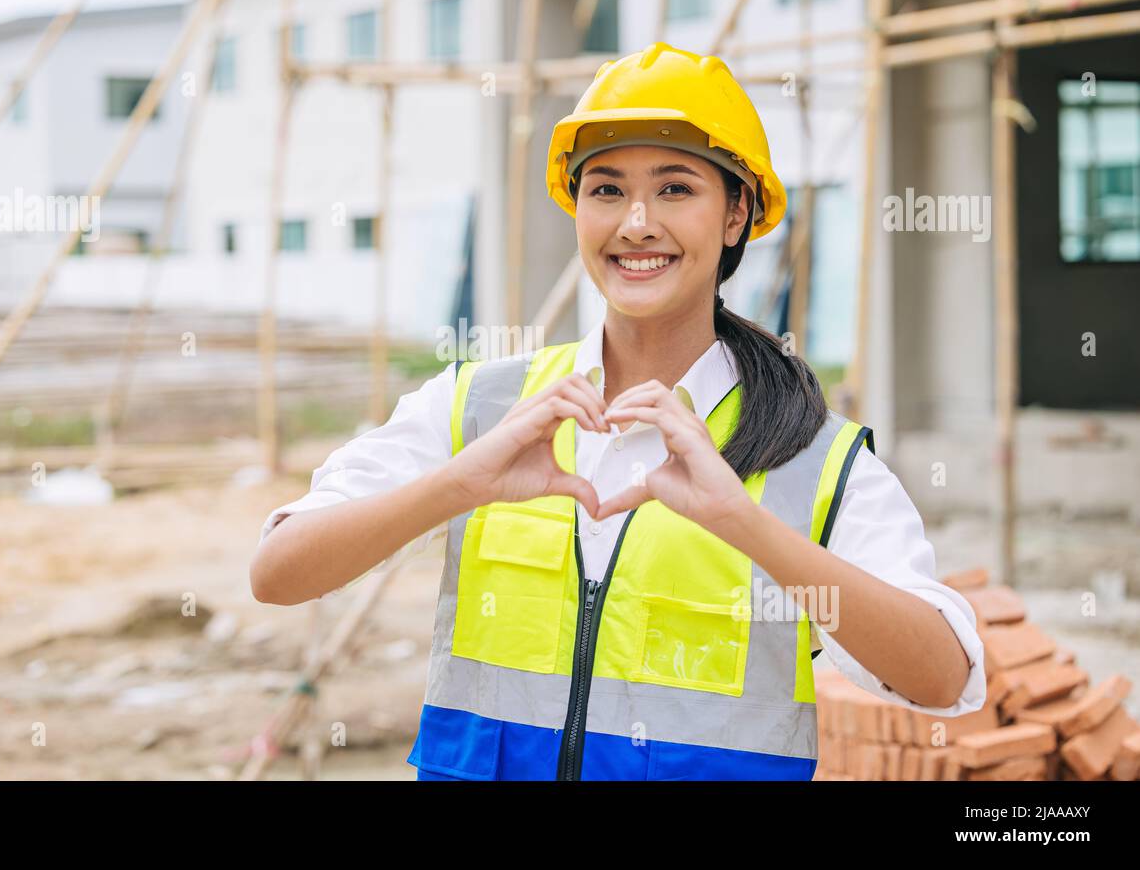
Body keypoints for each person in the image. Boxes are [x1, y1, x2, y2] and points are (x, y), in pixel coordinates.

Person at [250, 42, 985, 781]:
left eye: (674, 189)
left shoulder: (808, 456)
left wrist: (746, 526)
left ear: (736, 214)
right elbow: (278, 574)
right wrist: (459, 486)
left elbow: (943, 678)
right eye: (605, 190)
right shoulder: (482, 407)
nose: (635, 224)